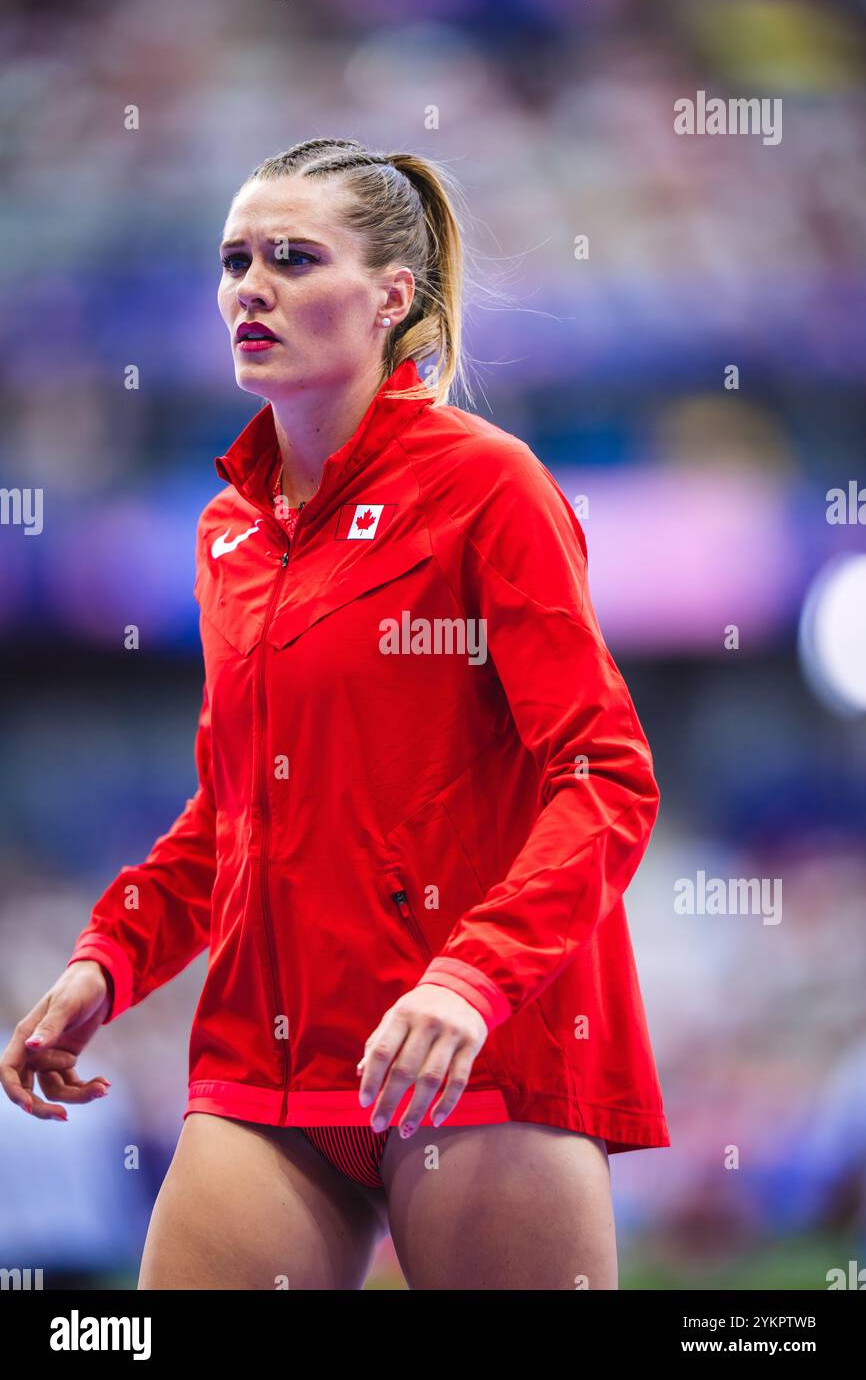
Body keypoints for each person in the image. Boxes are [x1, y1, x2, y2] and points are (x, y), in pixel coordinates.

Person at [0, 139, 669, 1290]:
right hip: (270, 1060)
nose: (249, 287)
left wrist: (473, 975)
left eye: (292, 258)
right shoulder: (227, 532)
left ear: (390, 298)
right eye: (233, 261)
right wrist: (109, 958)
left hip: (475, 1052)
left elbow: (605, 772)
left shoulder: (486, 486)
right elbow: (230, 815)